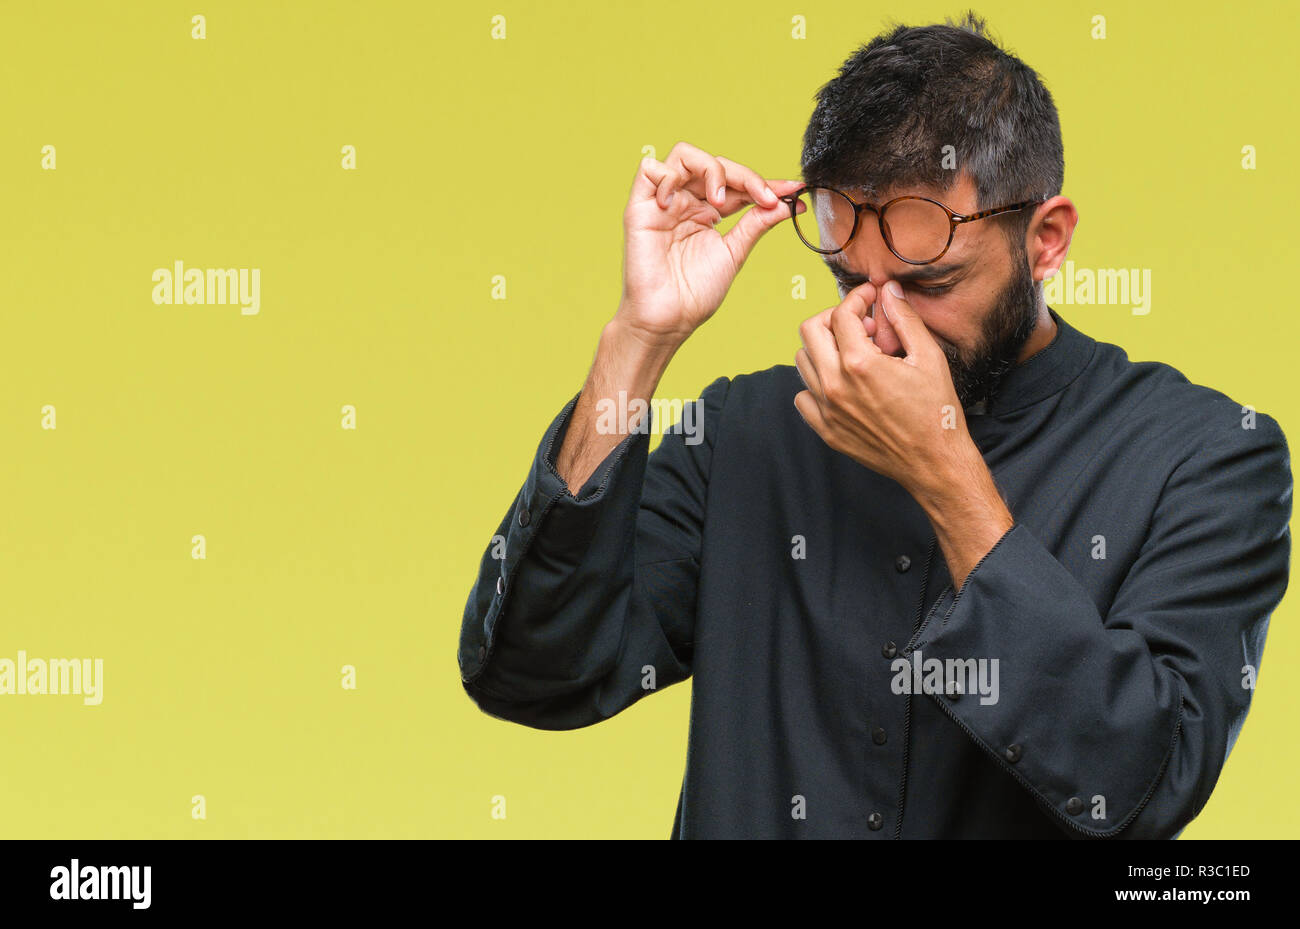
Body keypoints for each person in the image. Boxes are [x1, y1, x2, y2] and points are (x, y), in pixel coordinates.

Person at [456, 12, 1292, 838]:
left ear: (1045, 240)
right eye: (848, 277)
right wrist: (642, 337)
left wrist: (943, 471)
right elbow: (533, 673)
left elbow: (1136, 787)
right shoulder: (743, 430)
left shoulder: (1210, 456)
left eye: (930, 284)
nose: (882, 322)